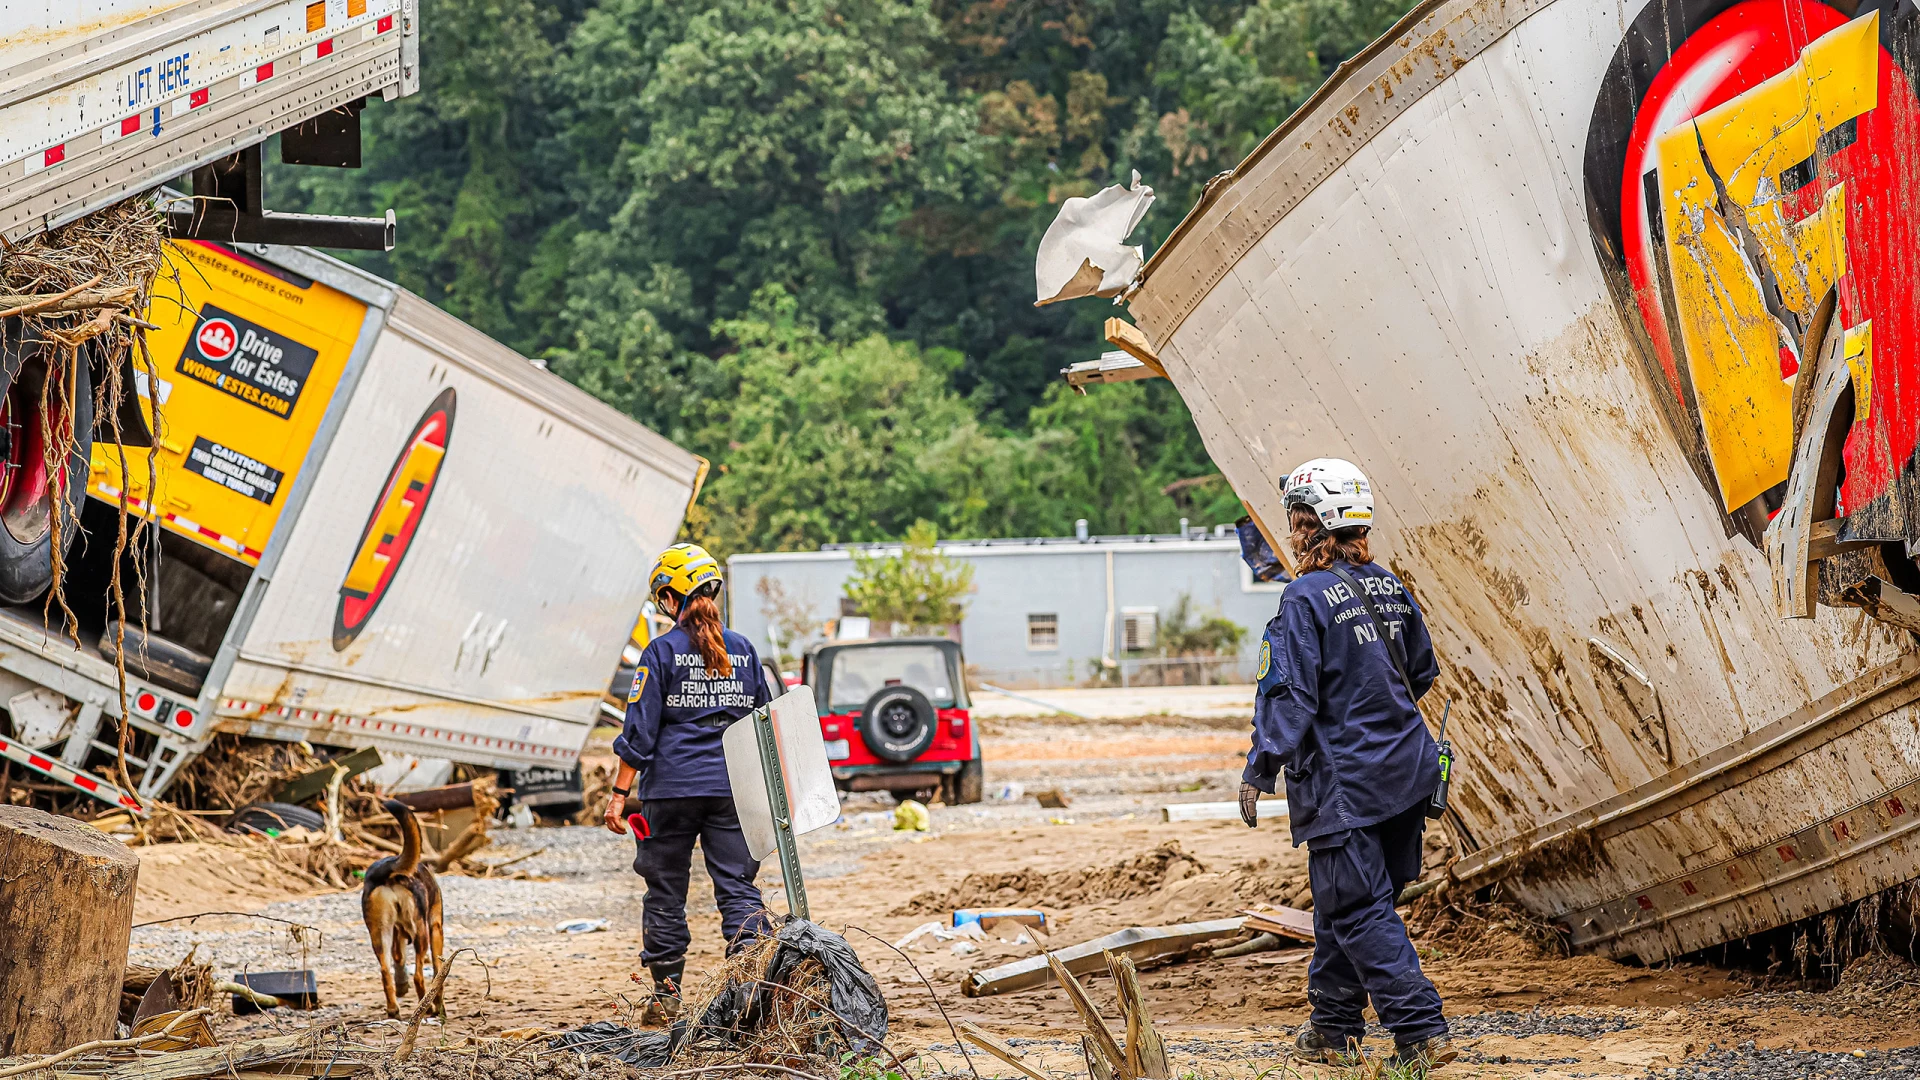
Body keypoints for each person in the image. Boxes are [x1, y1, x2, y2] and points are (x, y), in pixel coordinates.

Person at [1239, 458, 1454, 1070]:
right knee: (1349, 903)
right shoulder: (1389, 584)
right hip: (1407, 774)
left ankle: (1421, 1032)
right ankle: (1333, 1031)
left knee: (1358, 909)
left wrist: (1260, 768)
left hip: (1346, 787)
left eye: (1298, 519)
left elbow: (1291, 696)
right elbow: (1420, 673)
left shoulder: (1303, 598)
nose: (1292, 531)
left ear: (1317, 524)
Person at [603, 542, 775, 1023]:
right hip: (732, 791)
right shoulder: (744, 650)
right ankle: (750, 996)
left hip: (670, 792)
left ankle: (665, 997)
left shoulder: (660, 651)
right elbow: (764, 722)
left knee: (665, 891)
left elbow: (638, 732)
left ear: (673, 595)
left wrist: (618, 796)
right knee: (738, 889)